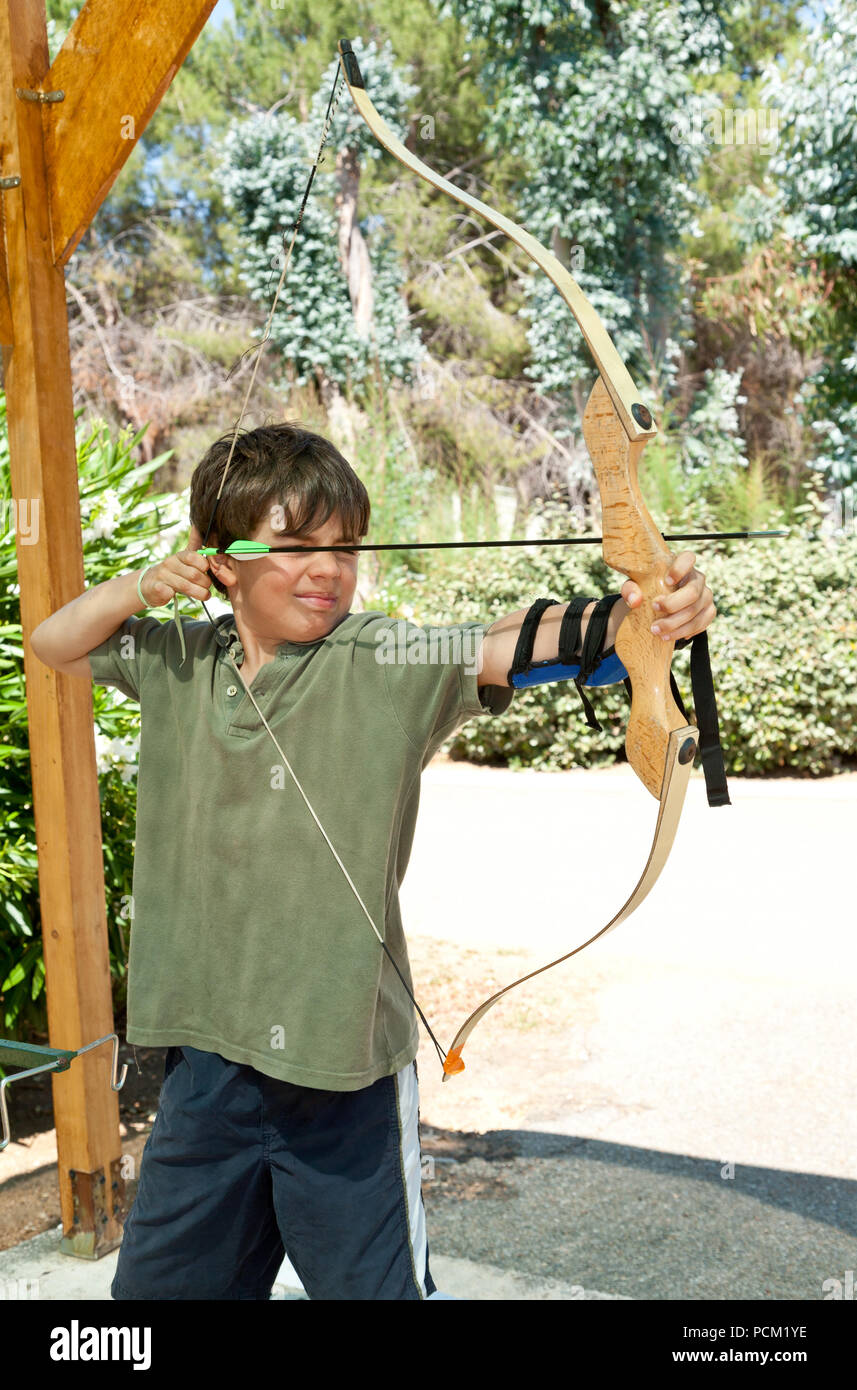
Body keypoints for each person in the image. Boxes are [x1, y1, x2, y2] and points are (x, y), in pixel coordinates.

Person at [29, 422, 716, 1300]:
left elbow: (507, 642)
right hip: (203, 1066)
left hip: (340, 1070)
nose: (329, 568)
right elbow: (55, 642)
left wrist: (642, 616)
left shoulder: (383, 657)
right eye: (294, 547)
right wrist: (140, 584)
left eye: (345, 546)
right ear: (219, 561)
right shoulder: (178, 661)